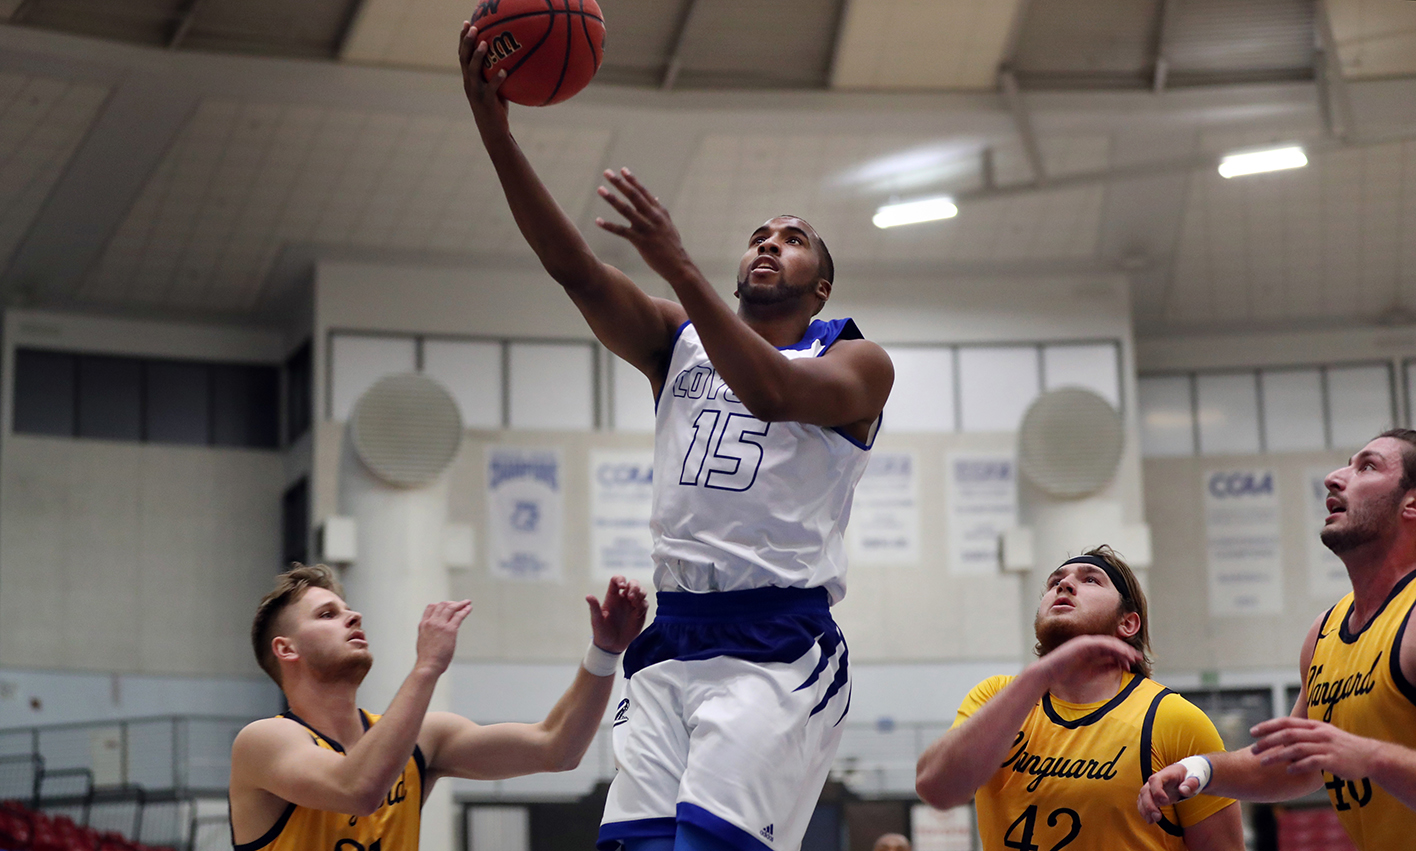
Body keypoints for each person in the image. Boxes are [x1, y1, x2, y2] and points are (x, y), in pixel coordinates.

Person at [459, 22, 893, 851]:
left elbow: (769, 391)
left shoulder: (857, 361)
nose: (769, 242)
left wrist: (680, 267)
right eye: (760, 234)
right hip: (674, 631)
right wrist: (496, 131)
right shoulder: (677, 339)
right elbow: (575, 270)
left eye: (791, 238)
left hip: (777, 644)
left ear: (822, 283)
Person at [228, 564, 647, 850]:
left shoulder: (424, 739)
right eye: (327, 614)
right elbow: (356, 790)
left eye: (348, 609)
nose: (353, 616)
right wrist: (427, 666)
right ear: (286, 648)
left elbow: (557, 749)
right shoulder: (265, 740)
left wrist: (605, 653)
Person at [1140, 430, 1416, 850]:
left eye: (1367, 466)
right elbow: (1296, 765)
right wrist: (1202, 769)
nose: (1334, 478)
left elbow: (1356, 755)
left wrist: (1373, 758)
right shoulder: (1324, 631)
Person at [916, 546, 1244, 851]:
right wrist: (1039, 675)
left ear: (1127, 622)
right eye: (1055, 582)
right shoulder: (997, 696)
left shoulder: (1173, 719)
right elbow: (937, 789)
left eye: (1090, 579)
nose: (1065, 585)